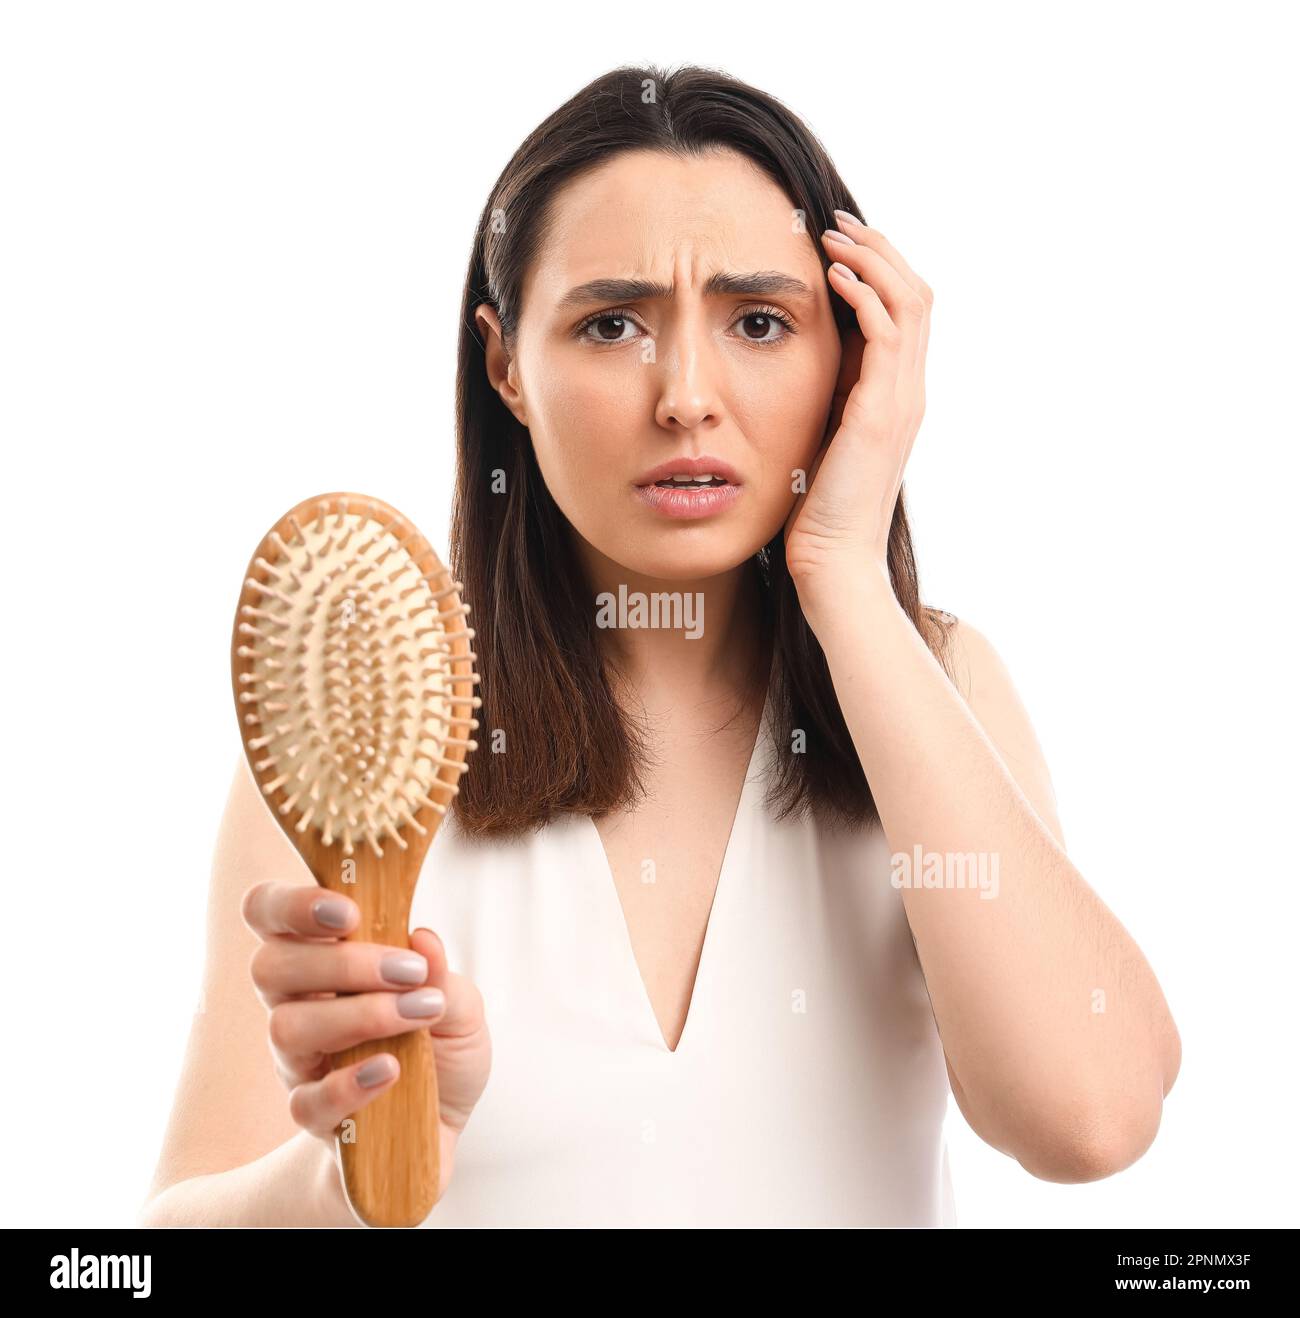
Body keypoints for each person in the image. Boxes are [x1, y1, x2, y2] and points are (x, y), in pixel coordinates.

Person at [140, 63, 1180, 1229]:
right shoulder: (360, 734)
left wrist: (840, 574)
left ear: (852, 354)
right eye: (612, 323)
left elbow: (1091, 1122)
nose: (686, 394)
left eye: (759, 321)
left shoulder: (938, 684)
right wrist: (352, 1169)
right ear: (504, 364)